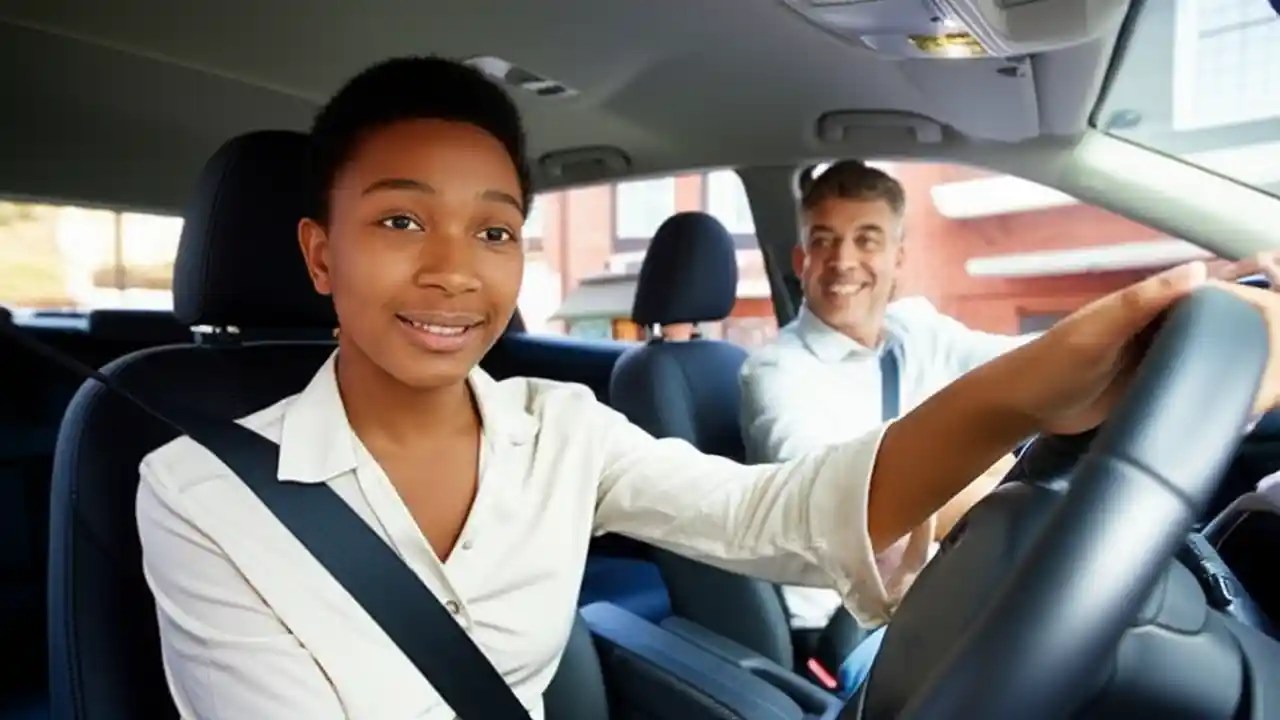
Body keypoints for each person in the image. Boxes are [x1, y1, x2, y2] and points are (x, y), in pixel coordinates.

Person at [135, 55, 1280, 720]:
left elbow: (773, 513)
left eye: (492, 230)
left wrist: (1042, 380)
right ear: (320, 253)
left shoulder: (558, 427)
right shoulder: (198, 491)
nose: (450, 267)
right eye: (397, 220)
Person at [739, 161, 1034, 670]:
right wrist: (1004, 499)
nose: (843, 261)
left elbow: (1028, 363)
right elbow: (843, 502)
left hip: (941, 590)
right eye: (824, 241)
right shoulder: (775, 372)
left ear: (898, 258)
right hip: (848, 628)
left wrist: (1143, 322)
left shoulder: (916, 329)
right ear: (800, 259)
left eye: (867, 240)